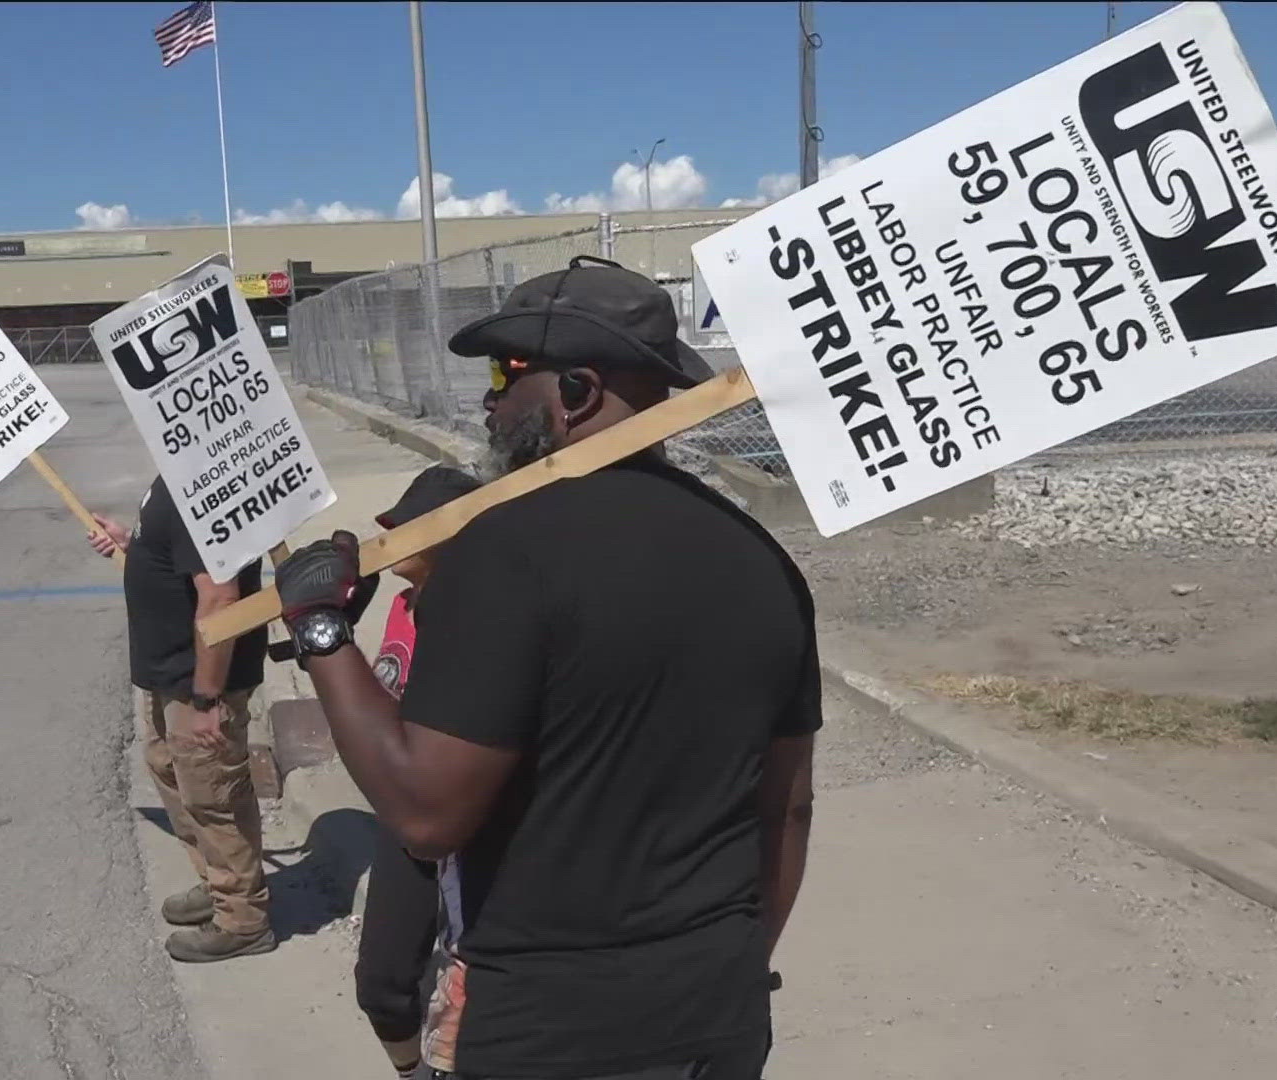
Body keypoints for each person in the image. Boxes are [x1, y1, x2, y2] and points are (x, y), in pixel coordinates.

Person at [273, 255, 820, 1080]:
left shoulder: (506, 551)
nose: (490, 402)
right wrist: (729, 968)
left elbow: (426, 815)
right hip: (721, 1013)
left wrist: (320, 632)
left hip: (554, 1033)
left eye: (505, 374)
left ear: (576, 394)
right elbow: (787, 811)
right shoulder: (764, 562)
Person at [87, 479, 276, 963]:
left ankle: (242, 919)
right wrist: (135, 544)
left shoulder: (202, 484)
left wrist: (207, 698)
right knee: (174, 773)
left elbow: (220, 597)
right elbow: (183, 559)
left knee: (212, 793)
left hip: (199, 680)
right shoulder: (175, 477)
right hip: (171, 673)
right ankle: (219, 884)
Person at [349, 466, 482, 1080]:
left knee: (470, 1002)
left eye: (412, 527)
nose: (394, 536)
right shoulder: (402, 605)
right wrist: (335, 634)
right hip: (403, 811)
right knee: (380, 982)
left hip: (467, 824)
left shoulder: (485, 618)